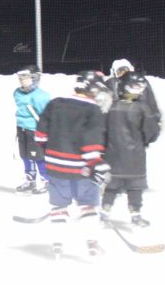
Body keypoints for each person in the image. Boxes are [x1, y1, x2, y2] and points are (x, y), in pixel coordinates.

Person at [34, 70, 111, 259]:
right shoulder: (92, 110)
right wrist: (96, 163)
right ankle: (92, 245)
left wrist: (53, 153)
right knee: (88, 205)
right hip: (80, 169)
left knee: (59, 207)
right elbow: (91, 142)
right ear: (92, 89)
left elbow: (40, 136)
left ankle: (57, 246)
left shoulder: (55, 104)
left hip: (55, 168)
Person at [101, 71, 160, 227]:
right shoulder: (143, 109)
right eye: (135, 87)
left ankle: (104, 213)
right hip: (135, 156)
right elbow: (152, 133)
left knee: (112, 185)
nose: (138, 91)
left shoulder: (111, 107)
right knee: (135, 187)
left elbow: (102, 131)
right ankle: (135, 215)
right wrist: (146, 139)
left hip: (113, 156)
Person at [13, 65, 51, 194]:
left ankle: (46, 181)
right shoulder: (18, 93)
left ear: (34, 78)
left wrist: (46, 131)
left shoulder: (41, 96)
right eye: (20, 77)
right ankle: (30, 180)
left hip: (35, 130)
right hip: (22, 128)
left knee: (38, 156)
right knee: (24, 155)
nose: (22, 80)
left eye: (26, 77)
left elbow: (46, 115)